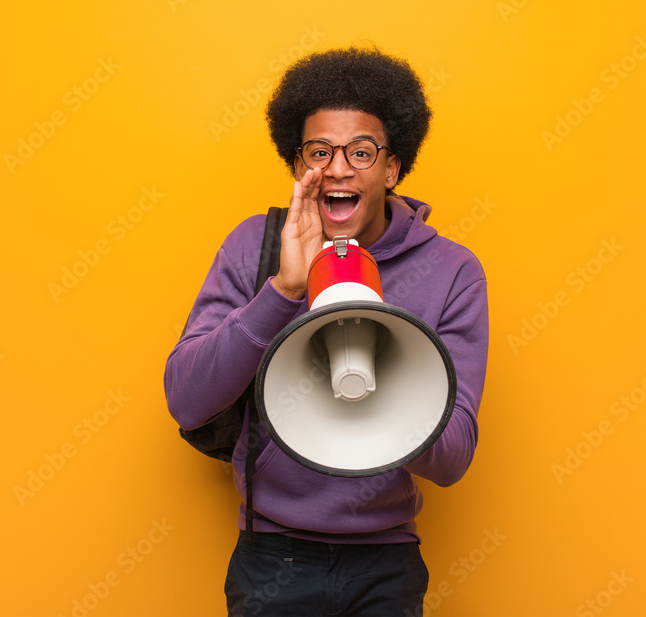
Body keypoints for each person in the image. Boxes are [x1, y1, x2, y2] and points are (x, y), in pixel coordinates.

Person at [164, 47, 488, 616]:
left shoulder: (453, 271)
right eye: (320, 152)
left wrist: (381, 369)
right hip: (271, 557)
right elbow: (187, 400)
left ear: (392, 167)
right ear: (297, 165)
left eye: (361, 152)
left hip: (386, 564)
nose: (338, 169)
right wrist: (284, 292)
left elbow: (454, 455)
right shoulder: (255, 247)